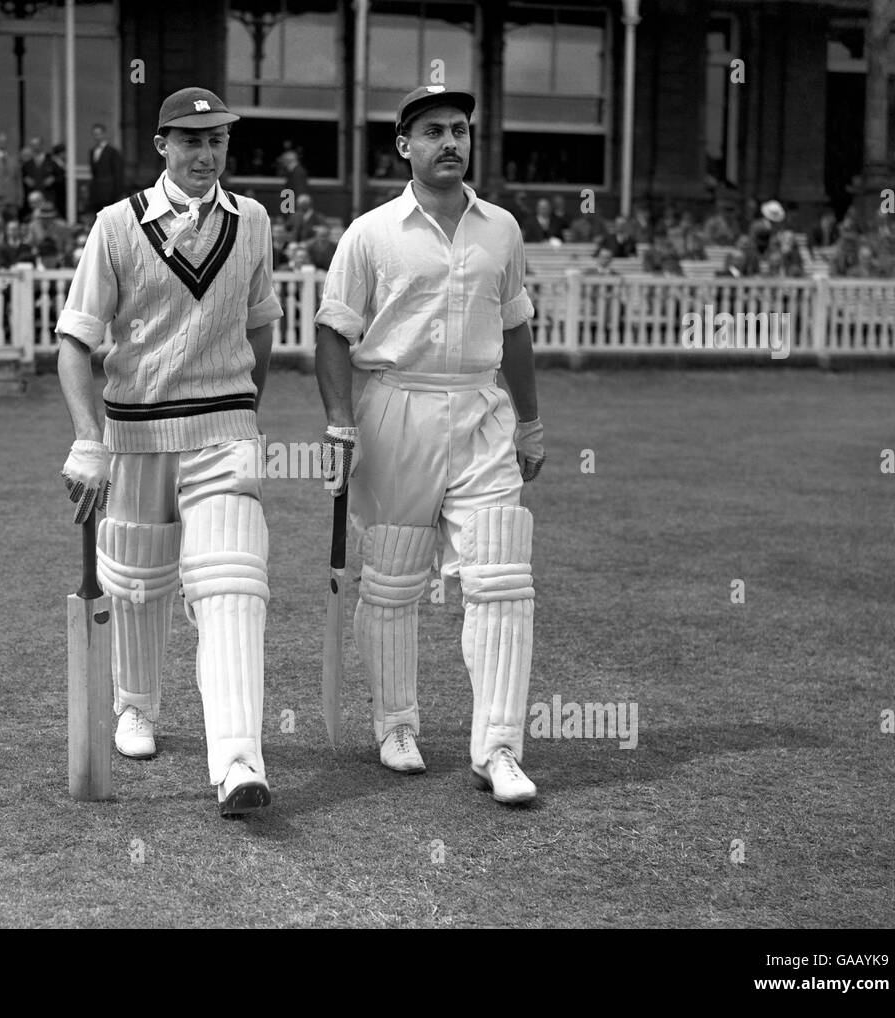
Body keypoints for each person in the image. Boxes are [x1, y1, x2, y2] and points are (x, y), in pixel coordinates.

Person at [313, 85, 545, 806]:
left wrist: (531, 423)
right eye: (435, 131)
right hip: (395, 407)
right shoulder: (372, 232)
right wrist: (339, 422)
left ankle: (498, 749)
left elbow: (513, 329)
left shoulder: (501, 228)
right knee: (393, 579)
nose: (451, 142)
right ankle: (396, 725)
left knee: (502, 574)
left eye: (461, 130)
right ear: (404, 146)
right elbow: (332, 328)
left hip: (480, 407)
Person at [55, 87, 282, 817]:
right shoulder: (117, 227)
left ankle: (239, 760)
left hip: (223, 433)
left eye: (216, 141)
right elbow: (75, 342)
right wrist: (88, 440)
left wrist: (244, 409)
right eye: (189, 140)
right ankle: (135, 706)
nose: (204, 154)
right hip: (135, 432)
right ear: (161, 145)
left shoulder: (252, 222)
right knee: (137, 583)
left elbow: (260, 328)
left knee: (233, 586)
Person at [88, 123, 125, 214]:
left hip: (109, 192)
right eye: (95, 134)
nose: (97, 137)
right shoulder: (93, 151)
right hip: (96, 191)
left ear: (104, 134)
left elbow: (118, 173)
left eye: (99, 134)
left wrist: (117, 192)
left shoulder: (112, 152)